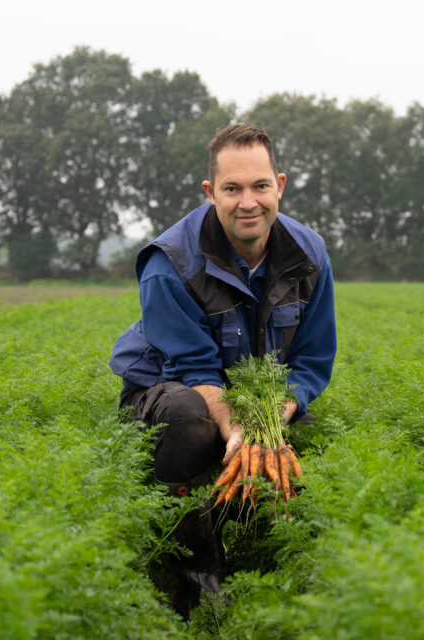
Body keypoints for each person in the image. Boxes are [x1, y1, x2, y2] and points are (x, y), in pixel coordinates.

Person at [109, 123, 337, 617]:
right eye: (232, 189)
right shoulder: (169, 263)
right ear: (211, 193)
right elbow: (196, 372)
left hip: (253, 394)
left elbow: (312, 362)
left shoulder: (311, 256)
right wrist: (239, 435)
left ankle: (281, 567)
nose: (248, 202)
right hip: (167, 387)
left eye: (259, 186)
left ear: (280, 185)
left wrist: (274, 423)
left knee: (317, 442)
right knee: (192, 424)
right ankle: (190, 578)